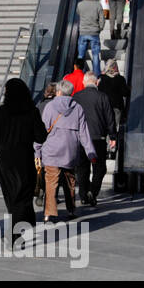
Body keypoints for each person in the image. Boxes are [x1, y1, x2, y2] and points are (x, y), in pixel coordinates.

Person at [0, 78, 48, 230]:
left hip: (4, 162)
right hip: (25, 160)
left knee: (11, 197)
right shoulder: (31, 112)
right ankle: (17, 230)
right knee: (22, 196)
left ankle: (19, 226)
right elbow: (41, 136)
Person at [37, 79, 95, 222]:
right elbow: (84, 132)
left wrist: (37, 149)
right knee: (70, 180)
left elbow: (42, 130)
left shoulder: (50, 107)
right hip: (70, 150)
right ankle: (71, 210)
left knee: (51, 182)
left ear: (58, 91)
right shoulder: (78, 108)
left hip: (52, 150)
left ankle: (48, 213)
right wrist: (90, 151)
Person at [71, 72, 114, 207]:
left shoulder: (76, 97)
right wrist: (112, 136)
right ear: (96, 83)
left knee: (82, 168)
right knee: (99, 167)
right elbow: (110, 118)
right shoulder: (103, 97)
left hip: (80, 139)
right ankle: (93, 192)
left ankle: (83, 195)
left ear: (84, 83)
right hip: (98, 138)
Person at [98, 60, 130, 152]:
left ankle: (104, 146)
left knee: (105, 126)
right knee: (114, 127)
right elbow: (125, 93)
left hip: (104, 107)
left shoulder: (102, 78)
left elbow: (99, 91)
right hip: (116, 107)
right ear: (115, 67)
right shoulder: (120, 79)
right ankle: (112, 148)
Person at [77, 0, 103, 76]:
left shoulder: (80, 5)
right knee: (95, 55)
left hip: (83, 32)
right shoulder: (98, 5)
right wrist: (100, 28)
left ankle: (80, 72)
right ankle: (96, 74)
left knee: (80, 55)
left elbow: (78, 13)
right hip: (94, 32)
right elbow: (102, 19)